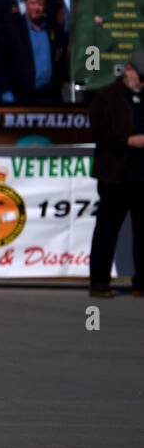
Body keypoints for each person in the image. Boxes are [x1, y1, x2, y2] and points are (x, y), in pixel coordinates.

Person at [87, 50, 144, 298]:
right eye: (140, 77)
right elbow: (98, 132)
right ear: (128, 71)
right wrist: (126, 140)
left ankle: (141, 282)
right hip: (115, 174)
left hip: (141, 175)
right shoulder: (106, 97)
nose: (142, 83)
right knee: (107, 229)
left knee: (143, 232)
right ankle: (99, 282)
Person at [0, 0, 67, 104]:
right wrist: (6, 91)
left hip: (49, 98)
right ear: (25, 3)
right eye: (33, 3)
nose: (37, 8)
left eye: (40, 4)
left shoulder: (51, 28)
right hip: (21, 98)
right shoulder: (13, 29)